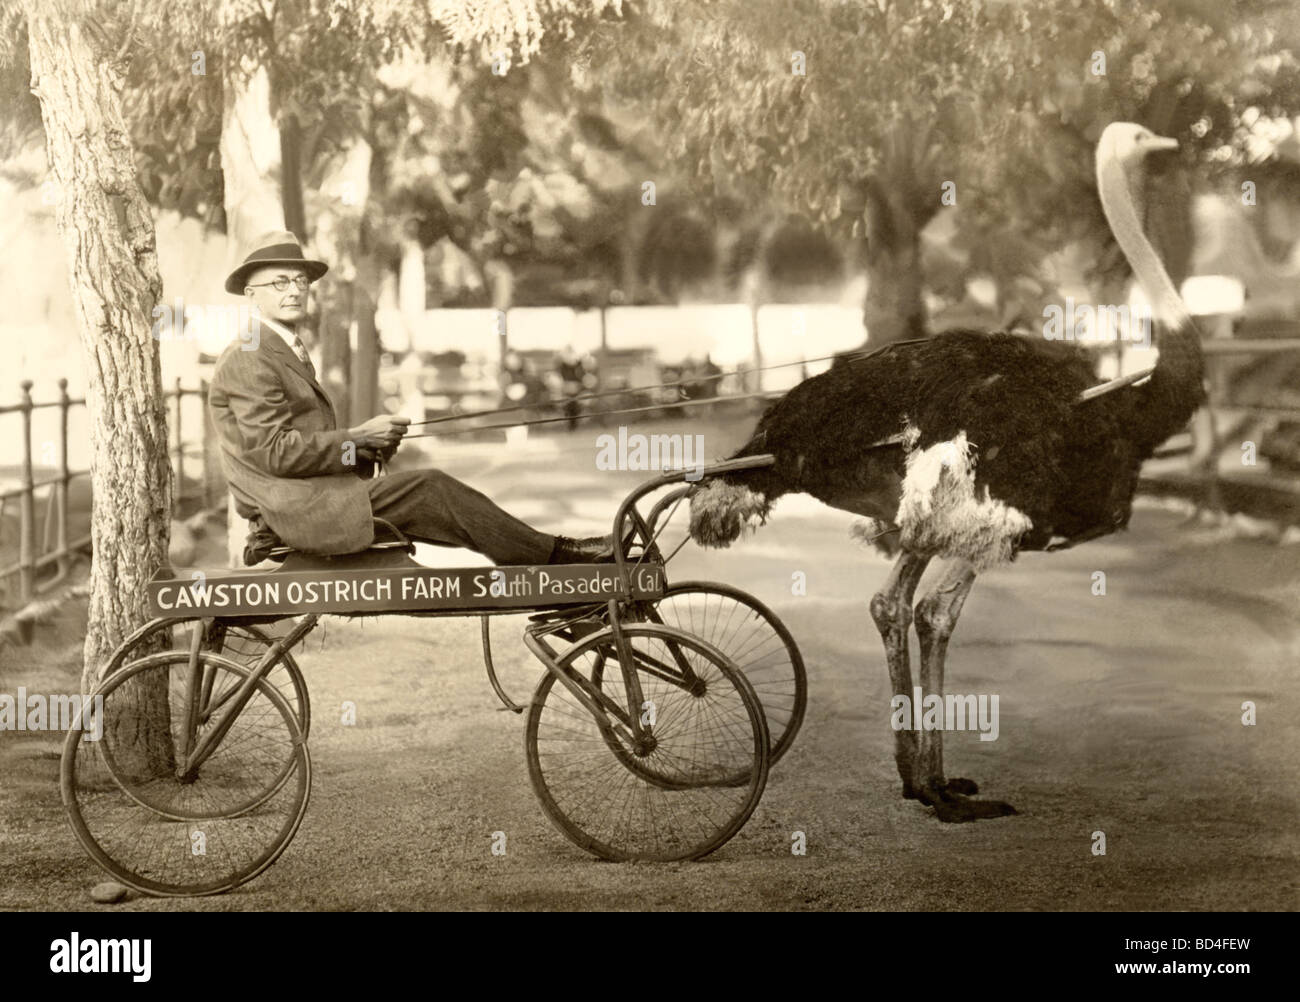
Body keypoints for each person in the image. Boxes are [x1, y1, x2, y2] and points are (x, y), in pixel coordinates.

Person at [208, 231, 611, 566]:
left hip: (313, 499)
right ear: (250, 293)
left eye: (301, 282)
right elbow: (277, 454)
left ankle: (544, 558)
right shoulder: (250, 356)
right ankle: (554, 558)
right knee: (431, 489)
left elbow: (302, 450)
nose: (294, 291)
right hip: (295, 510)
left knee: (436, 499)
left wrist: (367, 450)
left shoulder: (278, 348)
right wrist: (359, 439)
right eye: (280, 282)